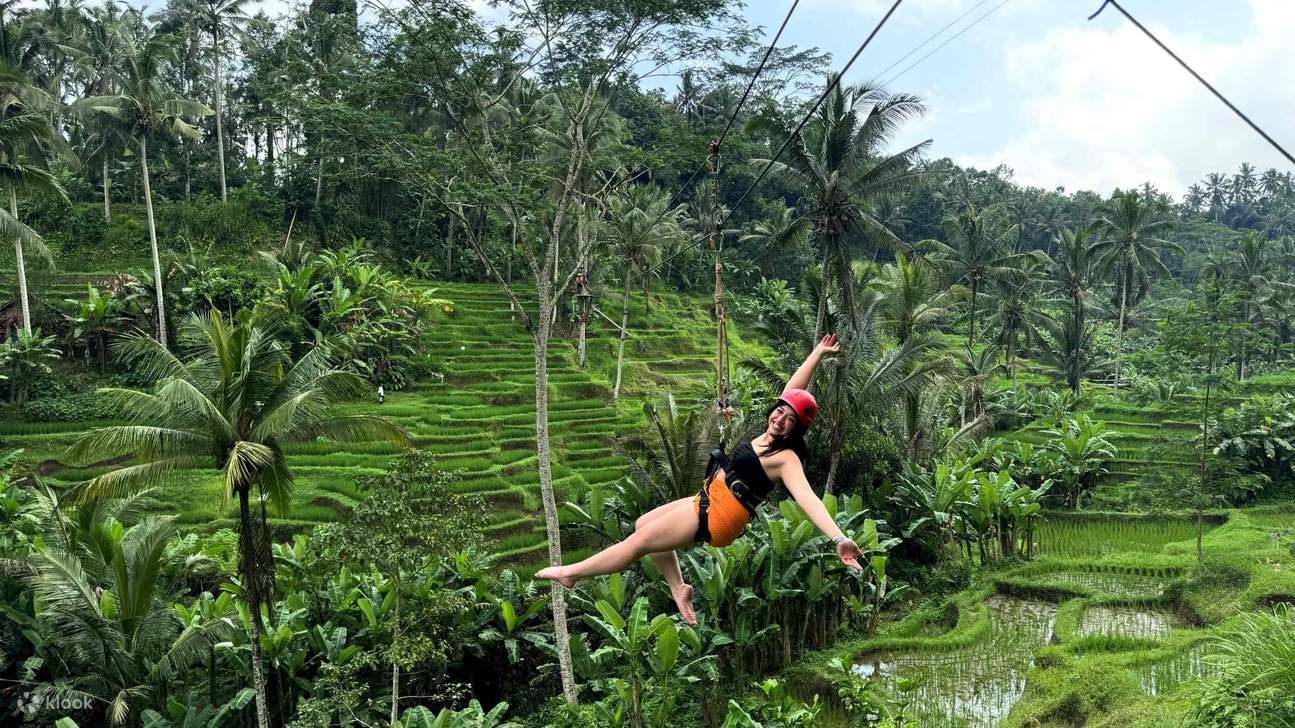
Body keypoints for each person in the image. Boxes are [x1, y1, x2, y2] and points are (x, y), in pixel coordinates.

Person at [537, 334, 862, 624]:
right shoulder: (771, 429)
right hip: (709, 497)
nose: (780, 419)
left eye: (789, 419)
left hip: (720, 515)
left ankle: (571, 573)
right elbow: (793, 390)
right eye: (780, 411)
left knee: (638, 543)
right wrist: (817, 353)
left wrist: (838, 538)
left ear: (796, 429)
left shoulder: (786, 458)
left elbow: (807, 499)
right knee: (642, 523)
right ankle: (679, 588)